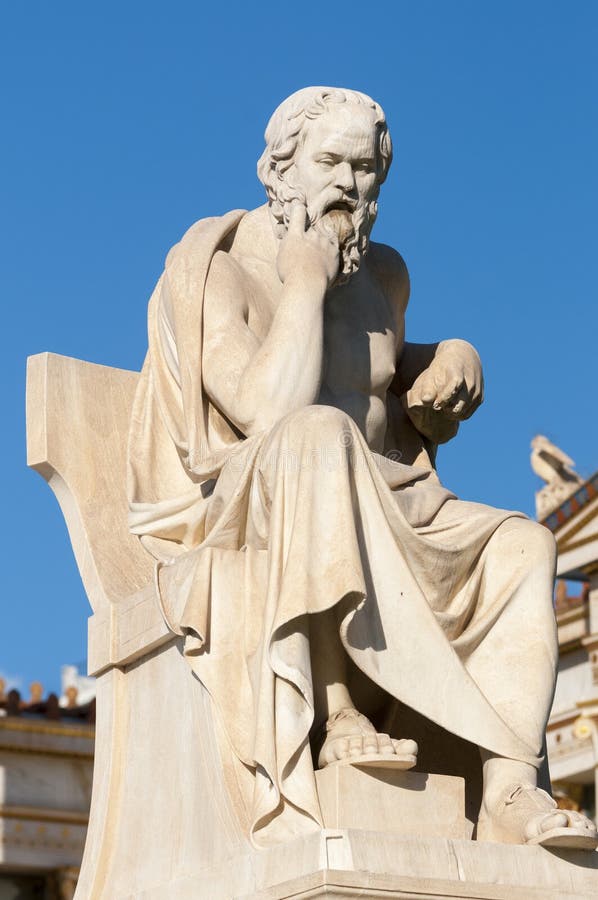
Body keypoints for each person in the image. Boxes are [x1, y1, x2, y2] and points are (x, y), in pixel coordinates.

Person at [127, 86, 597, 849]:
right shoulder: (220, 272)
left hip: (391, 494)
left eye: (367, 168)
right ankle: (336, 707)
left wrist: (449, 359)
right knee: (318, 436)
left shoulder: (384, 277)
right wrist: (304, 279)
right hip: (261, 501)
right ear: (278, 172)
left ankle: (511, 787)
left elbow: (383, 376)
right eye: (330, 162)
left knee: (524, 543)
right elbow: (267, 413)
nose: (350, 185)